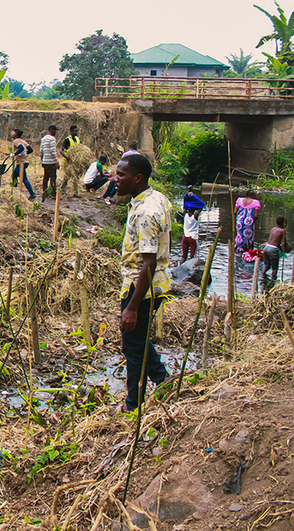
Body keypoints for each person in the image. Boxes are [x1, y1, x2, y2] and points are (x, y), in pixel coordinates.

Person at [113, 153, 172, 414]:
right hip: (152, 284)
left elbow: (149, 263)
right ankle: (163, 380)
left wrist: (133, 307)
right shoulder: (154, 197)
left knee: (133, 347)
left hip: (142, 287)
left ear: (137, 178)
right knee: (138, 340)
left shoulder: (146, 213)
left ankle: (133, 405)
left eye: (120, 175)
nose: (115, 179)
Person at [262, 217, 289, 290]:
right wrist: (284, 249)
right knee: (275, 268)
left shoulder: (273, 229)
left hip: (266, 248)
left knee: (266, 266)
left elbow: (274, 240)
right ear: (283, 224)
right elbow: (284, 242)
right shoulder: (282, 231)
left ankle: (262, 277)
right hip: (273, 250)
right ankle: (273, 282)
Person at [10, 129, 35, 200]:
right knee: (14, 175)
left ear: (16, 135)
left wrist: (14, 153)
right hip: (25, 162)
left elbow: (21, 148)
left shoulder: (16, 141)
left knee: (24, 179)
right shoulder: (23, 141)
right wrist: (24, 154)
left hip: (21, 163)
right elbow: (30, 150)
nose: (12, 134)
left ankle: (32, 194)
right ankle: (14, 190)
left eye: (13, 133)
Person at [40, 125, 59, 201]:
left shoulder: (43, 139)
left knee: (46, 177)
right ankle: (53, 194)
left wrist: (42, 160)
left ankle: (45, 192)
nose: (55, 132)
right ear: (52, 130)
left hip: (45, 161)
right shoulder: (52, 139)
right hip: (51, 162)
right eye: (55, 130)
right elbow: (53, 151)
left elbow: (41, 151)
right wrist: (56, 161)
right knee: (53, 178)